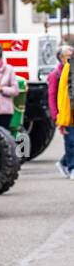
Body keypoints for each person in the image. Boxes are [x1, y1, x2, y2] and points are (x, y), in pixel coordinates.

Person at [54, 45, 74, 178]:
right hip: (67, 111)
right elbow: (56, 95)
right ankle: (71, 167)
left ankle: (64, 163)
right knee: (71, 141)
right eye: (69, 55)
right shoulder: (56, 74)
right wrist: (58, 115)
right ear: (61, 58)